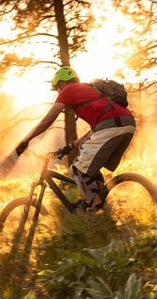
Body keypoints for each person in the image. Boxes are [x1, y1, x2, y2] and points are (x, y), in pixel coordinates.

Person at [14, 66, 136, 210]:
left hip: (112, 126)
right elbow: (96, 130)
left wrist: (25, 141)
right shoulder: (88, 91)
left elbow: (48, 120)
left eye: (57, 89)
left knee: (78, 170)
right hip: (127, 123)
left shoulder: (69, 90)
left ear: (62, 83)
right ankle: (102, 206)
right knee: (91, 170)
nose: (59, 93)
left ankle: (95, 213)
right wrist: (70, 147)